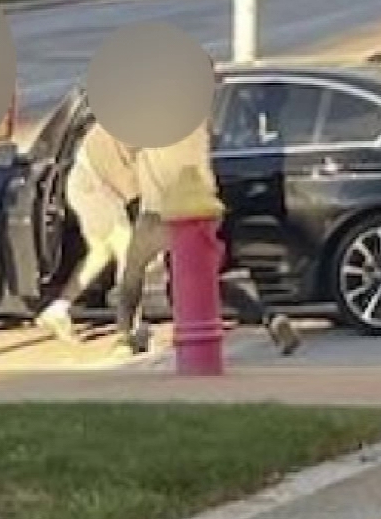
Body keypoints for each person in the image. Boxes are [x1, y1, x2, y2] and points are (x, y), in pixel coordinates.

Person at [110, 123, 302, 358]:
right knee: (204, 282)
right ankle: (269, 317)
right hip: (200, 209)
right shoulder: (197, 127)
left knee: (133, 275)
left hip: (158, 212)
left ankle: (126, 335)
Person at [35, 120, 140, 343]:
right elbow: (126, 176)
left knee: (100, 253)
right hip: (94, 188)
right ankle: (129, 325)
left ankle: (58, 309)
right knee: (127, 251)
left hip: (88, 186)